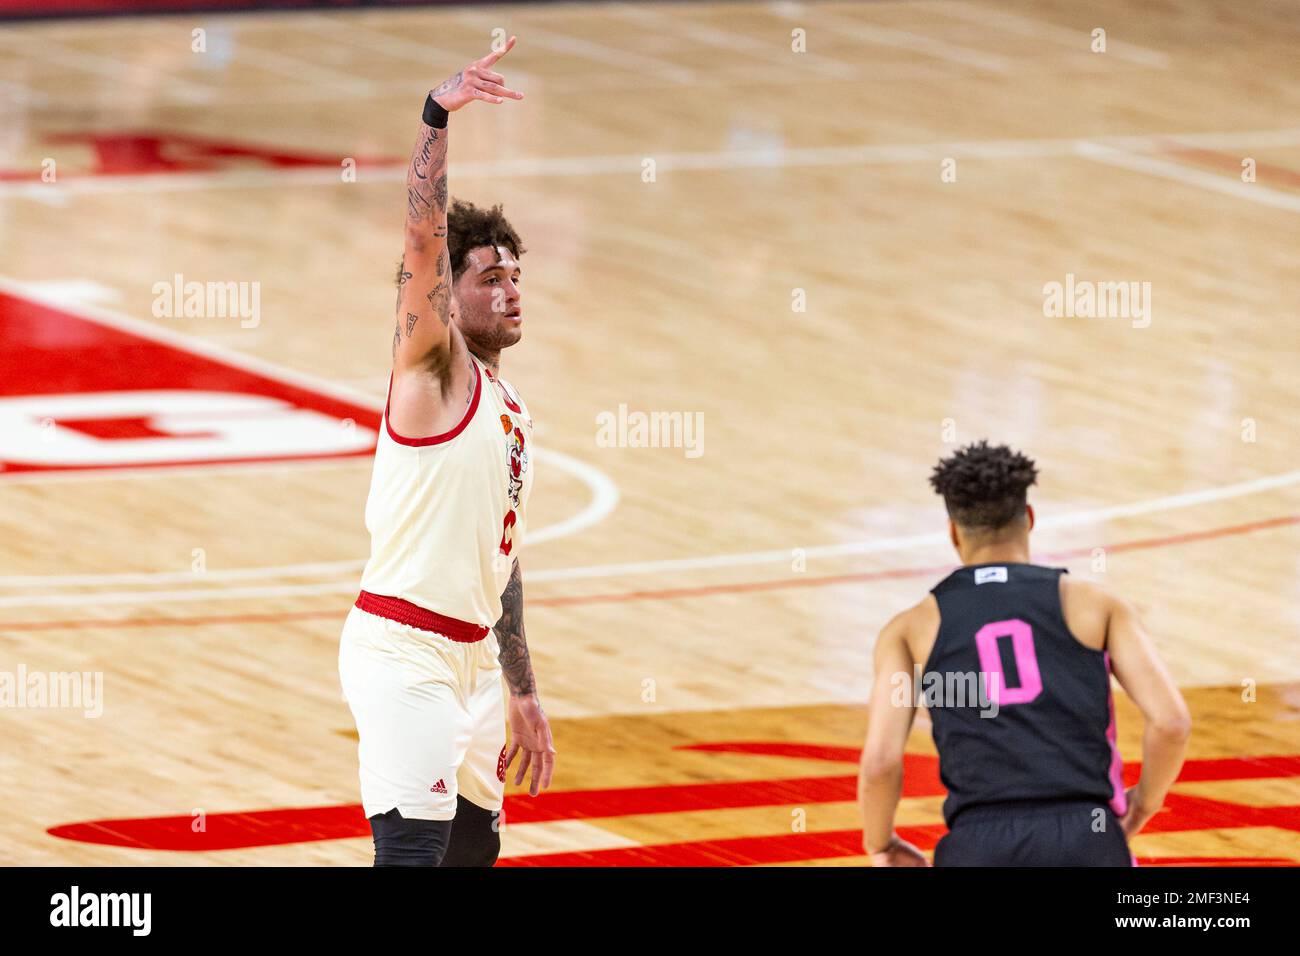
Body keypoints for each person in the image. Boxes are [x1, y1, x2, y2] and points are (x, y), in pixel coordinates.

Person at [338, 36, 556, 867]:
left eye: (514, 276)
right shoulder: (430, 371)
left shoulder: (510, 410)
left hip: (469, 664)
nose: (507, 290)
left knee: (473, 854)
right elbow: (423, 239)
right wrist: (438, 117)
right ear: (447, 299)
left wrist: (523, 688)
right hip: (404, 653)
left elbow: (504, 564)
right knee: (413, 857)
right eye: (486, 278)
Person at [858, 441, 1191, 866]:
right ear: (1029, 519)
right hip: (1086, 834)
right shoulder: (1098, 606)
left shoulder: (908, 630)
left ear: (954, 533)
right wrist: (1144, 802)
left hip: (977, 844)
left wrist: (880, 843)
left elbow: (881, 763)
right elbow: (1172, 723)